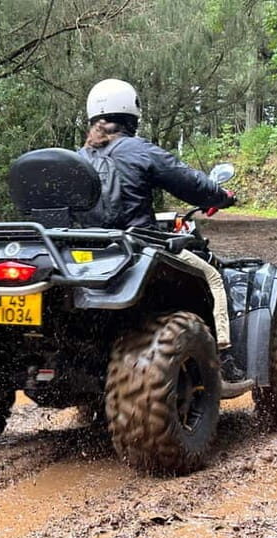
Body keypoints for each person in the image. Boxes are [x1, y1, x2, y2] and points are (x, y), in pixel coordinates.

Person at [80, 78, 235, 358]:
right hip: (138, 245)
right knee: (212, 276)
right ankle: (224, 355)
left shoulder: (79, 157)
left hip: (84, 251)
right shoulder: (139, 150)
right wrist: (221, 196)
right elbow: (191, 183)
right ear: (131, 115)